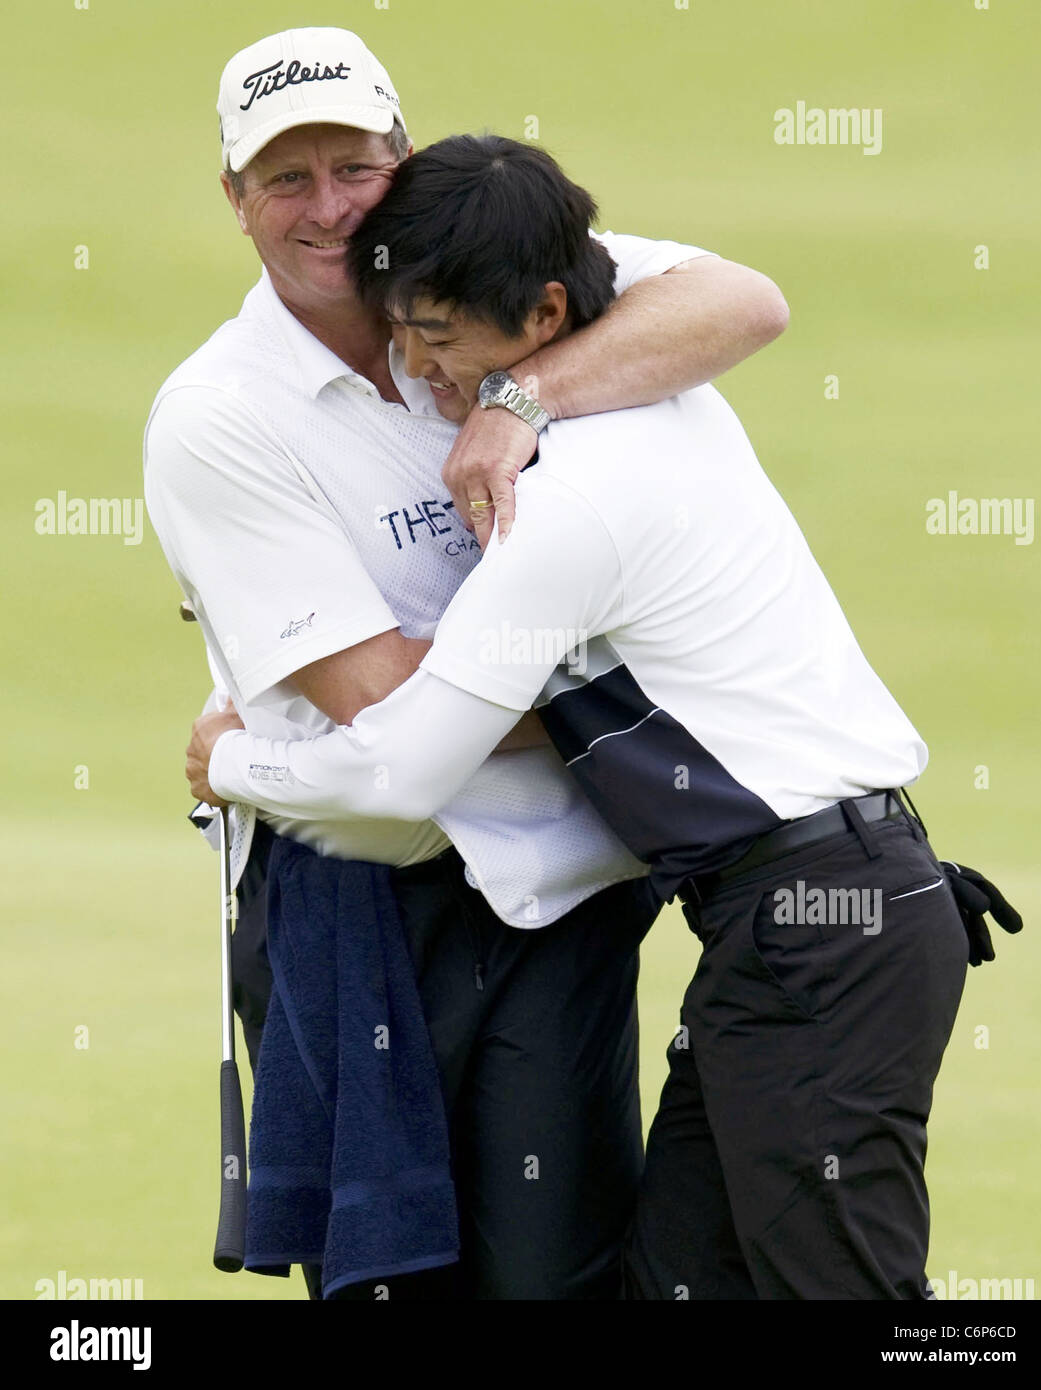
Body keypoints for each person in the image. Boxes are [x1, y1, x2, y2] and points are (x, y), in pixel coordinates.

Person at [186, 132, 1019, 1300]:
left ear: (543, 313)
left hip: (826, 930)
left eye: (438, 337)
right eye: (403, 331)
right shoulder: (636, 381)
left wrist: (237, 761)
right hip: (789, 926)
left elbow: (402, 771)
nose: (418, 370)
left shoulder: (567, 504)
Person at [145, 27, 789, 1300]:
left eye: (355, 165)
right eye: (285, 178)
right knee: (402, 1287)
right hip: (365, 899)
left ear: (407, 157)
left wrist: (518, 399)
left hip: (559, 885)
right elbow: (385, 706)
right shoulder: (218, 417)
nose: (328, 208)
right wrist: (641, 670)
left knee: (558, 1279)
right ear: (233, 200)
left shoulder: (477, 268)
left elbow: (741, 302)